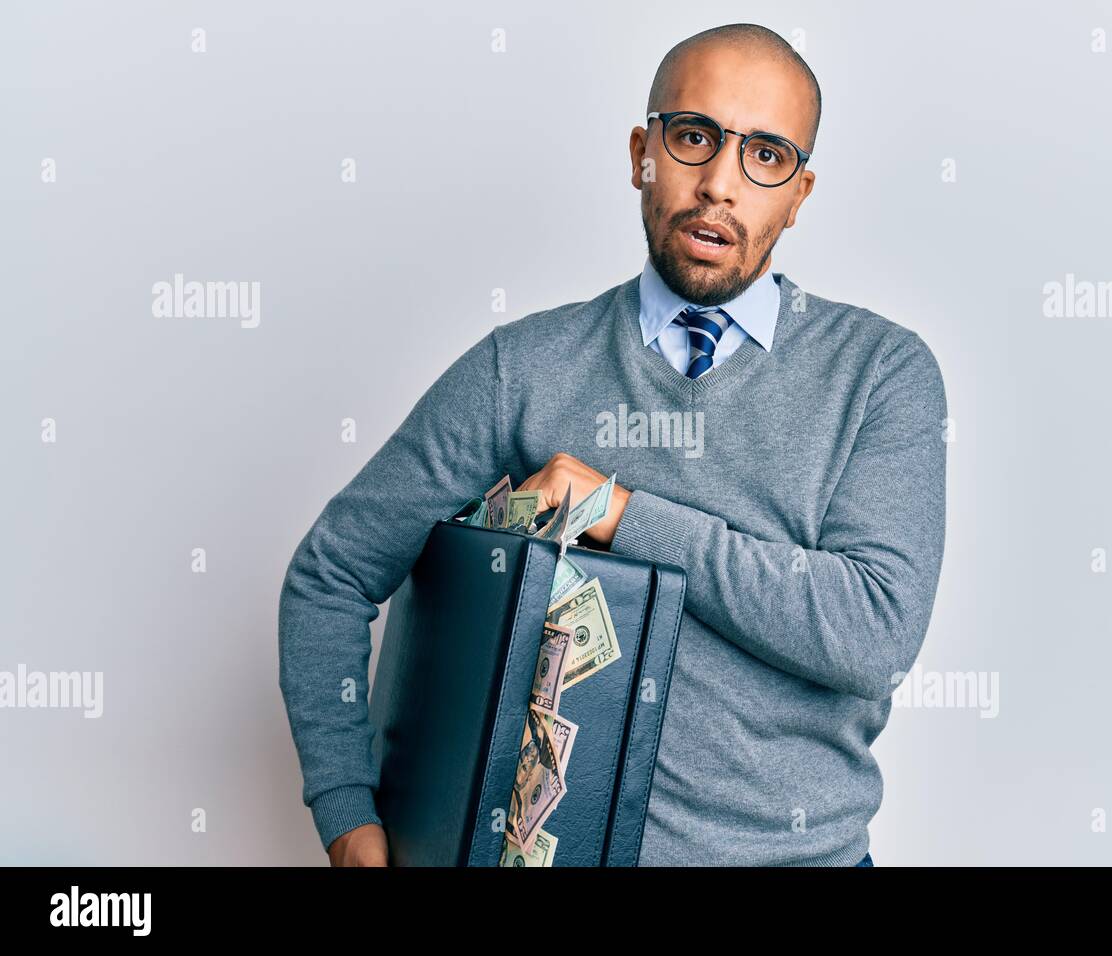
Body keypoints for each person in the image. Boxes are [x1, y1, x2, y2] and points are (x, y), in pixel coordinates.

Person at [279, 22, 946, 868]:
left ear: (799, 194)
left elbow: (873, 634)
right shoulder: (518, 369)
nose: (719, 186)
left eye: (765, 156)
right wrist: (346, 814)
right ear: (643, 151)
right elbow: (332, 575)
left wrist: (618, 513)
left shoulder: (881, 374)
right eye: (694, 137)